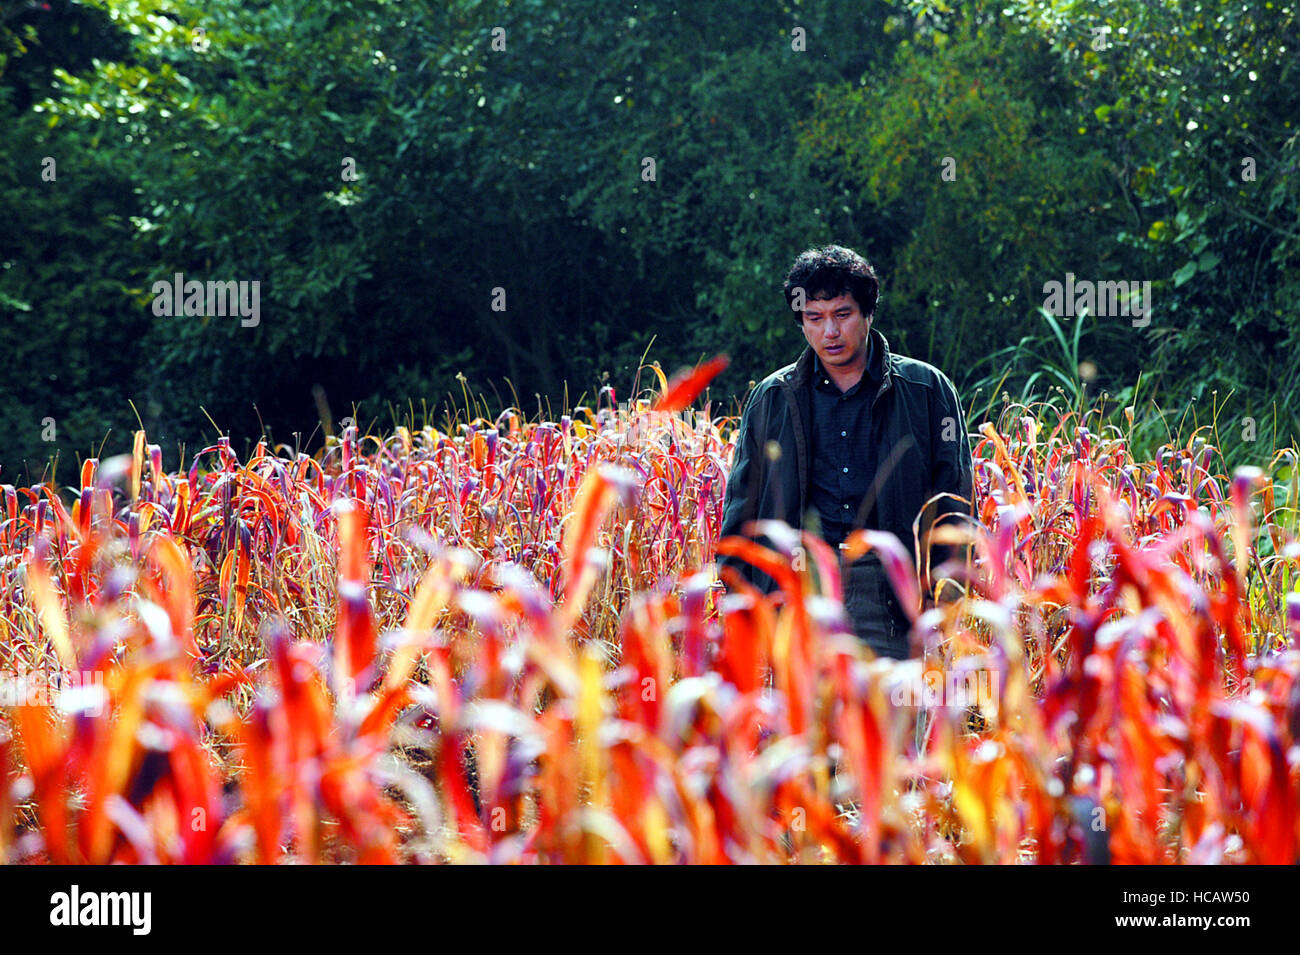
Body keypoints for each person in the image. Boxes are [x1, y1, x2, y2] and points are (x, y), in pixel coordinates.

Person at [716, 244, 974, 660]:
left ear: (868, 313)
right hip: (799, 587)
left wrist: (942, 599)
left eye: (842, 314)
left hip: (890, 586)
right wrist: (742, 598)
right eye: (814, 318)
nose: (829, 332)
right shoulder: (774, 397)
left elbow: (955, 501)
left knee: (891, 721)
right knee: (807, 723)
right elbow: (743, 505)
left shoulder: (926, 390)